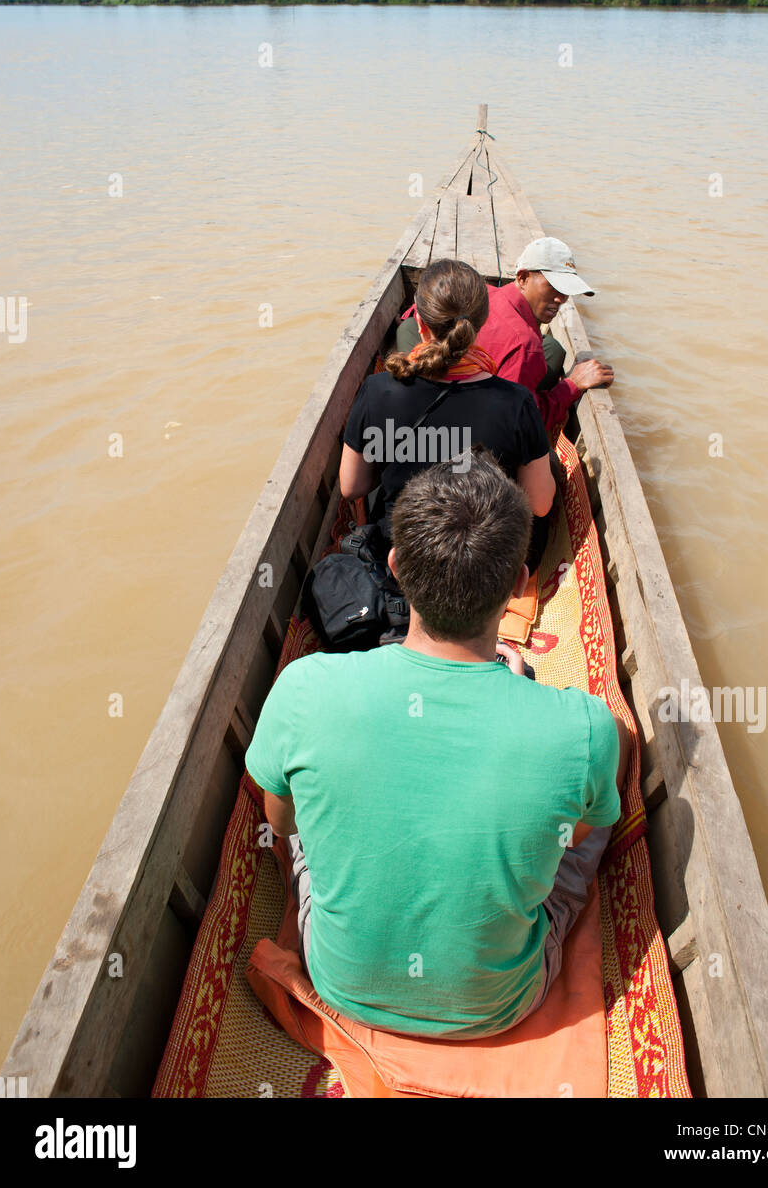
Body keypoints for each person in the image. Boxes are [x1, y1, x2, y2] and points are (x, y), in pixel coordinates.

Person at [245, 452, 630, 1040]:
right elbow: (573, 837)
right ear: (520, 585)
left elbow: (281, 823)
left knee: (297, 814)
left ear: (395, 567)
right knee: (598, 796)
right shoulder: (584, 726)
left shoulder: (305, 685)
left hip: (339, 980)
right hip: (499, 1004)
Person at [339, 258, 555, 546]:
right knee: (548, 463)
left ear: (419, 322)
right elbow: (540, 505)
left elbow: (351, 486)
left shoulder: (378, 390)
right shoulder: (517, 402)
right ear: (482, 322)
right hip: (483, 564)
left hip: (403, 554)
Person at [395, 237, 614, 434]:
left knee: (552, 349)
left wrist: (410, 315)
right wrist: (571, 385)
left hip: (438, 372)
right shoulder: (525, 347)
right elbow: (523, 424)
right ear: (522, 278)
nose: (561, 299)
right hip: (470, 419)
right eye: (553, 287)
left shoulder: (485, 292)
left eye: (566, 291)